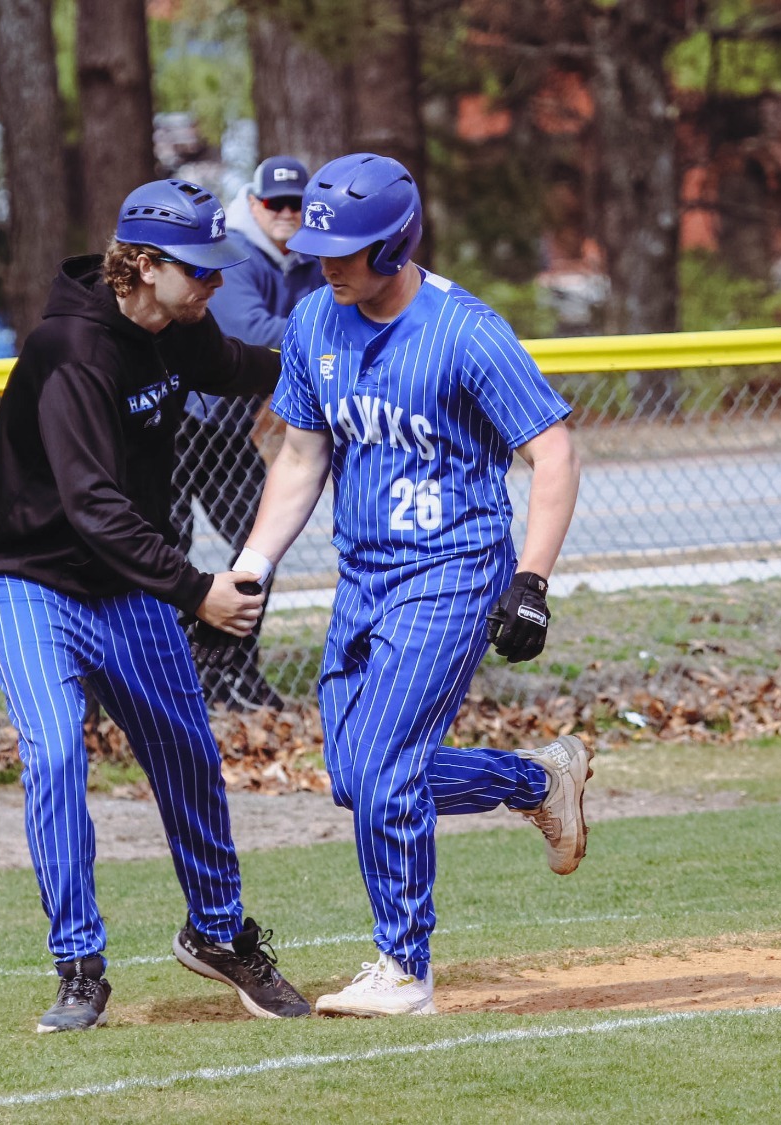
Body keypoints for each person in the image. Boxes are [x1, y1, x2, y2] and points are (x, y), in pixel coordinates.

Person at [234, 153, 589, 1018]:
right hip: (364, 574)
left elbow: (553, 451)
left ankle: (403, 966)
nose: (325, 266)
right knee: (356, 778)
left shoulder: (466, 332)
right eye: (318, 250)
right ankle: (537, 781)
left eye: (345, 251)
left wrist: (532, 580)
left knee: (387, 767)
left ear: (393, 246)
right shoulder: (314, 320)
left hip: (453, 570)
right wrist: (252, 564)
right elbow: (302, 456)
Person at [0, 178, 310, 1033]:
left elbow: (239, 367)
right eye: (200, 270)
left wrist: (327, 362)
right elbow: (93, 505)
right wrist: (197, 590)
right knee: (53, 754)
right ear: (145, 265)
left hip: (124, 581)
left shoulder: (178, 327)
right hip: (28, 578)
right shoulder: (71, 351)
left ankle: (218, 932)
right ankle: (79, 968)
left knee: (187, 752)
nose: (215, 283)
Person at [172, 156, 327, 711]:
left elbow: (332, 319)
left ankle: (232, 673)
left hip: (230, 432)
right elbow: (250, 330)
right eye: (274, 202)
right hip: (179, 425)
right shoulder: (235, 252)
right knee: (169, 554)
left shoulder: (308, 261)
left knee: (259, 545)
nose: (286, 212)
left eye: (296, 203)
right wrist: (331, 337)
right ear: (254, 203)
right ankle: (175, 681)